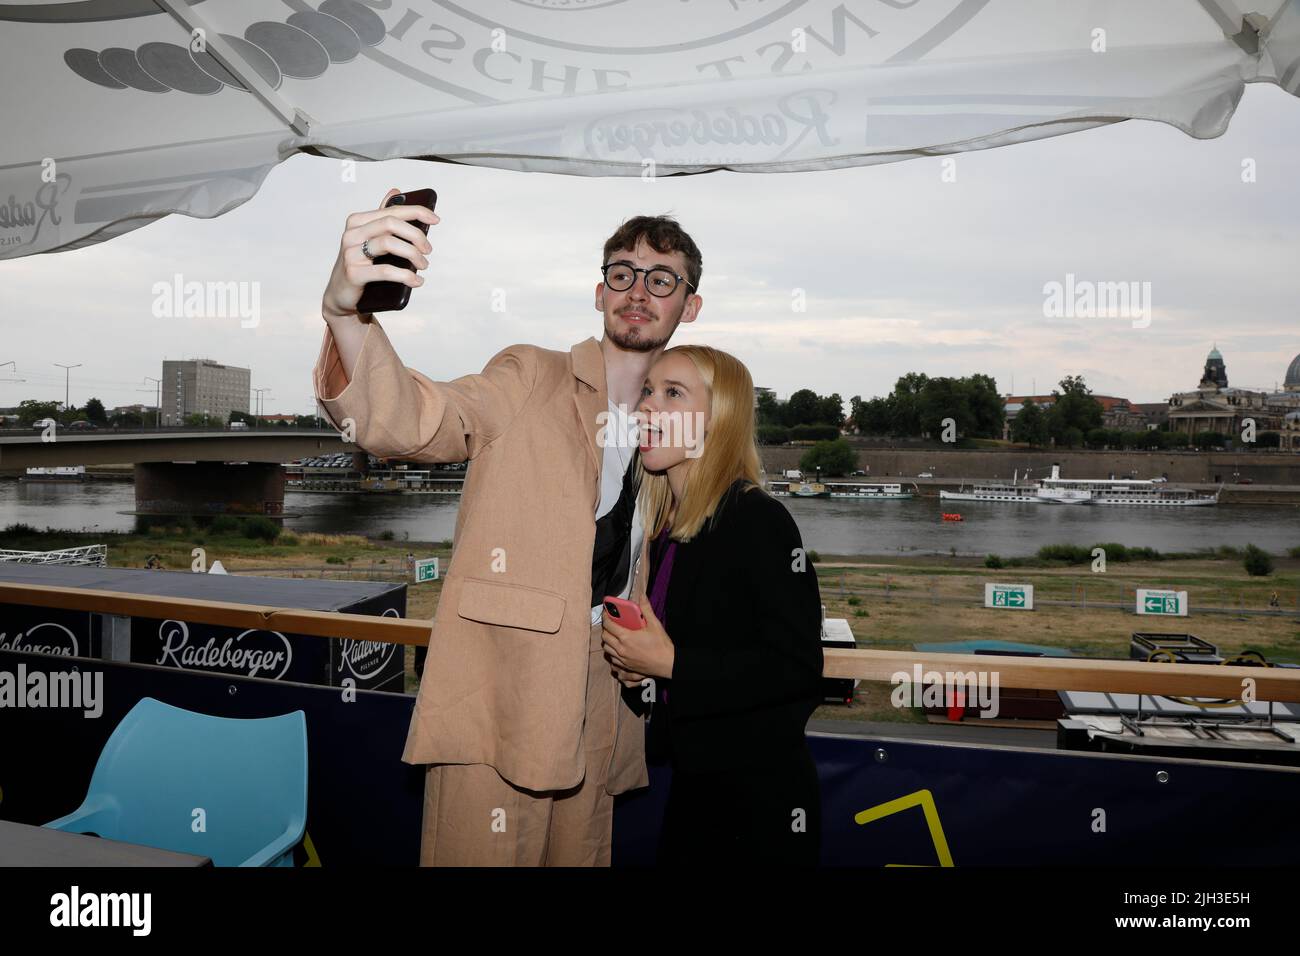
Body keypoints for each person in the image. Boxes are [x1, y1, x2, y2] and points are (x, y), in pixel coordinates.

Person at [311, 190, 703, 865]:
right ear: (599, 291)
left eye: (661, 279)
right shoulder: (530, 375)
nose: (639, 290)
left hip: (602, 700)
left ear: (688, 306)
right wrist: (348, 312)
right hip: (501, 693)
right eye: (622, 273)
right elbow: (415, 421)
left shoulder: (669, 426)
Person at [601, 345, 825, 865]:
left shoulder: (758, 520)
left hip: (760, 808)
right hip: (698, 793)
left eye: (673, 393)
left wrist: (668, 663)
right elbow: (701, 660)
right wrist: (644, 677)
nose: (648, 406)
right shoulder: (666, 529)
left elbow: (796, 671)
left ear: (717, 419)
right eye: (648, 391)